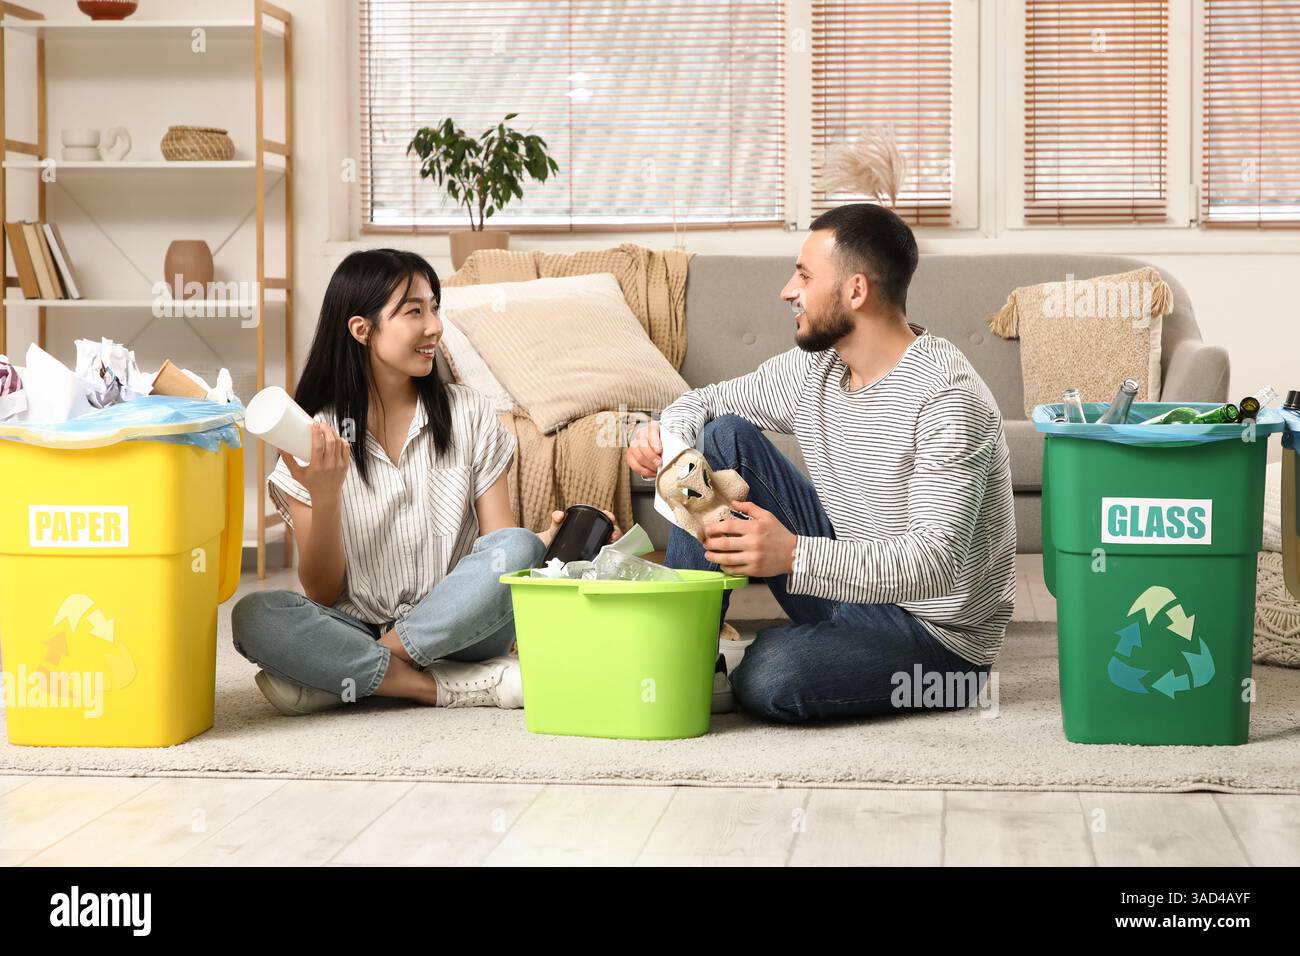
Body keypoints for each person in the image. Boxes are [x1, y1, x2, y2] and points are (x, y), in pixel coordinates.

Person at [627, 203, 1016, 723]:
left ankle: (785, 657)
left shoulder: (947, 398)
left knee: (771, 675)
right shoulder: (817, 368)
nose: (788, 290)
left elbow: (934, 566)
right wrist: (666, 440)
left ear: (856, 290)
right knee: (721, 436)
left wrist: (792, 556)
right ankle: (676, 655)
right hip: (847, 583)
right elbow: (705, 402)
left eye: (805, 275)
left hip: (936, 639)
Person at [231, 248, 616, 716]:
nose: (434, 326)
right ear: (362, 329)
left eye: (435, 308)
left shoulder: (469, 413)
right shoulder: (318, 435)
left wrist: (543, 543)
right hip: (357, 626)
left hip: (464, 632)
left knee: (517, 547)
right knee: (255, 617)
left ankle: (348, 676)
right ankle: (435, 687)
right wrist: (327, 494)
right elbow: (322, 593)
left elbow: (499, 547)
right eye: (414, 311)